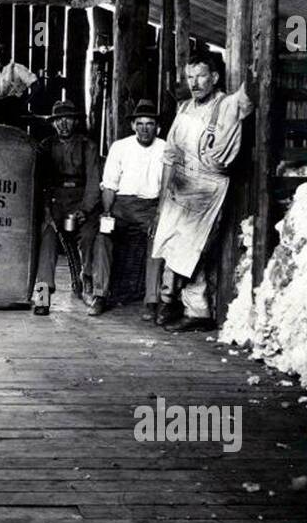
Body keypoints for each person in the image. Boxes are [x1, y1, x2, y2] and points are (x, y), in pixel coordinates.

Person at [151, 53, 254, 332]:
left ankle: (197, 311)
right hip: (180, 185)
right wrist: (163, 197)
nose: (194, 83)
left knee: (193, 250)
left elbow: (250, 96)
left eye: (200, 76)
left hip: (209, 186)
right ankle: (167, 301)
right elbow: (170, 154)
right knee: (170, 246)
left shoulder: (228, 104)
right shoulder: (184, 108)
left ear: (215, 78)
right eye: (190, 77)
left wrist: (252, 63)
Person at [88, 99, 167, 319]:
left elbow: (166, 190)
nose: (144, 128)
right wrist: (107, 213)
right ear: (133, 125)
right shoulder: (120, 147)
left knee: (158, 240)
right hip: (121, 206)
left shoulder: (165, 148)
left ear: (157, 127)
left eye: (149, 124)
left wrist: (158, 217)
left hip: (150, 208)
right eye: (139, 123)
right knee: (103, 238)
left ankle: (152, 301)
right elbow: (110, 185)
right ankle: (100, 295)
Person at [32, 101, 100, 317]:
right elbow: (39, 182)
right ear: (53, 123)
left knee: (89, 236)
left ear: (76, 121)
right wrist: (46, 210)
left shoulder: (87, 146)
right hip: (55, 201)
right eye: (59, 120)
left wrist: (85, 209)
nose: (63, 123)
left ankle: (87, 284)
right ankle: (42, 295)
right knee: (47, 237)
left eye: (68, 118)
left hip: (81, 200)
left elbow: (93, 183)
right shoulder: (46, 147)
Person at [0, 40, 39, 126]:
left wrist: (25, 102)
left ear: (8, 51)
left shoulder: (17, 68)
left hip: (12, 108)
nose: (0, 52)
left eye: (2, 49)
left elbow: (35, 85)